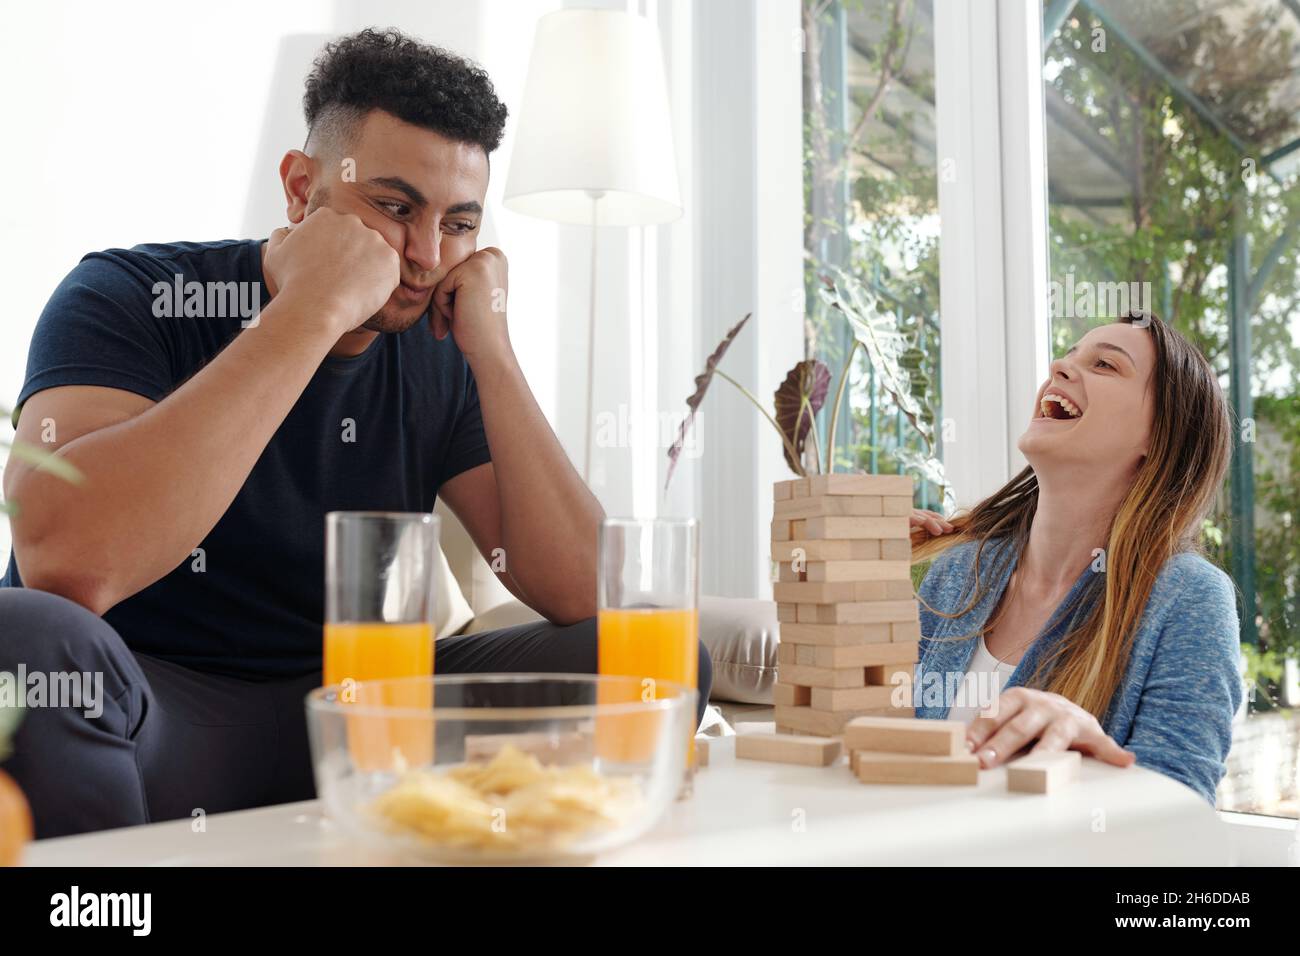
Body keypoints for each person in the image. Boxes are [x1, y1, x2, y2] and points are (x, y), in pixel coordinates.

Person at [0, 28, 711, 838]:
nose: (424, 256)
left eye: (459, 225)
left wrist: (496, 354)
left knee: (654, 661)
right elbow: (62, 563)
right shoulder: (129, 294)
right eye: (395, 208)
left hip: (374, 715)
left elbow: (590, 598)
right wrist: (310, 312)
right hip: (161, 722)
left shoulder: (440, 350)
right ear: (302, 190)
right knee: (26, 639)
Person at [907, 312, 1242, 806]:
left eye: (1105, 364)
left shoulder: (1189, 598)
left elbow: (1182, 811)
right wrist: (851, 587)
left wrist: (1087, 746)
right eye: (1069, 354)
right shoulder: (958, 572)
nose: (1060, 366)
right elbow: (874, 749)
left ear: (1160, 436)